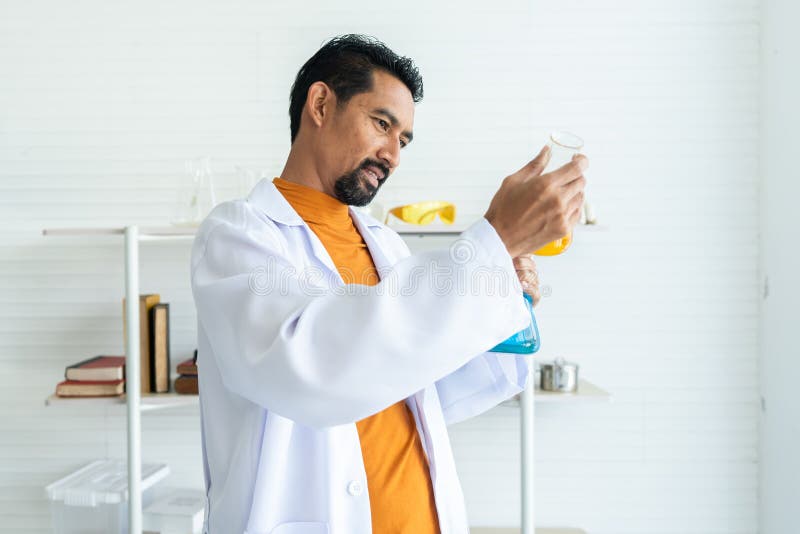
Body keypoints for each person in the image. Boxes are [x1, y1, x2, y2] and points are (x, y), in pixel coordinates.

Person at [190, 34, 587, 534]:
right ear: (320, 104)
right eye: (382, 124)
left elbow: (420, 380)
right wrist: (490, 243)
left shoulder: (385, 243)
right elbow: (309, 367)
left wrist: (502, 290)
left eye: (403, 140)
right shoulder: (236, 236)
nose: (393, 155)